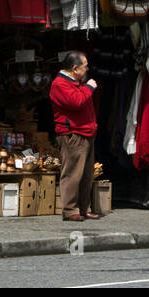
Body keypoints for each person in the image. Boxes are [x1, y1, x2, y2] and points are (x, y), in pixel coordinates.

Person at [49, 51, 100, 222]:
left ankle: (83, 208)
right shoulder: (59, 84)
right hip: (73, 134)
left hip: (86, 132)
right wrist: (89, 88)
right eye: (85, 67)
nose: (87, 70)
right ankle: (70, 210)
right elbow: (75, 102)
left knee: (86, 174)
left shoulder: (76, 82)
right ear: (75, 68)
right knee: (72, 173)